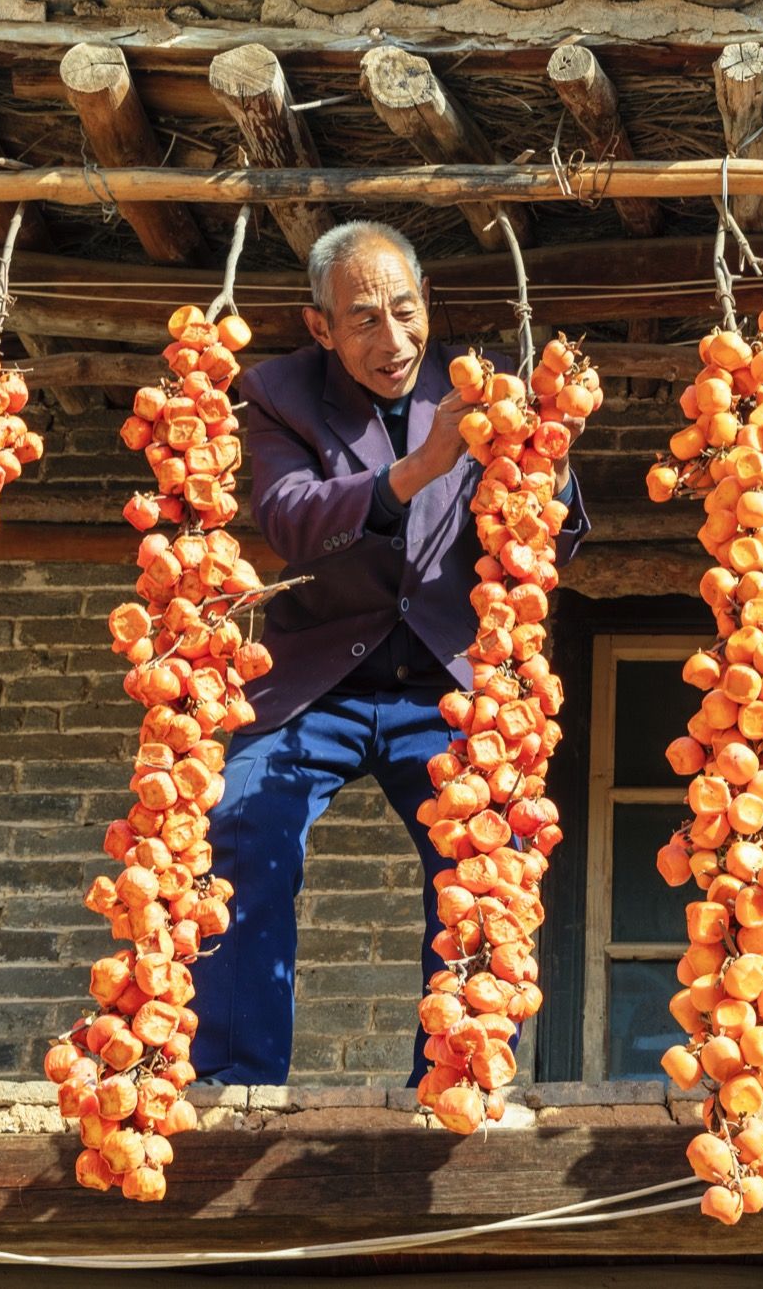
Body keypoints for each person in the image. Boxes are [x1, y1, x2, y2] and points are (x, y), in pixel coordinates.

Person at [188, 220, 587, 1082]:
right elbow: (290, 518)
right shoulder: (279, 396)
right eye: (363, 319)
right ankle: (234, 1083)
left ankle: (452, 1075)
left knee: (486, 862)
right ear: (320, 326)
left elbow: (550, 540)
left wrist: (547, 468)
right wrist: (418, 468)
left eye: (406, 312)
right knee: (242, 824)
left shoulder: (480, 389)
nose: (393, 339)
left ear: (428, 306)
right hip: (318, 682)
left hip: (444, 685)